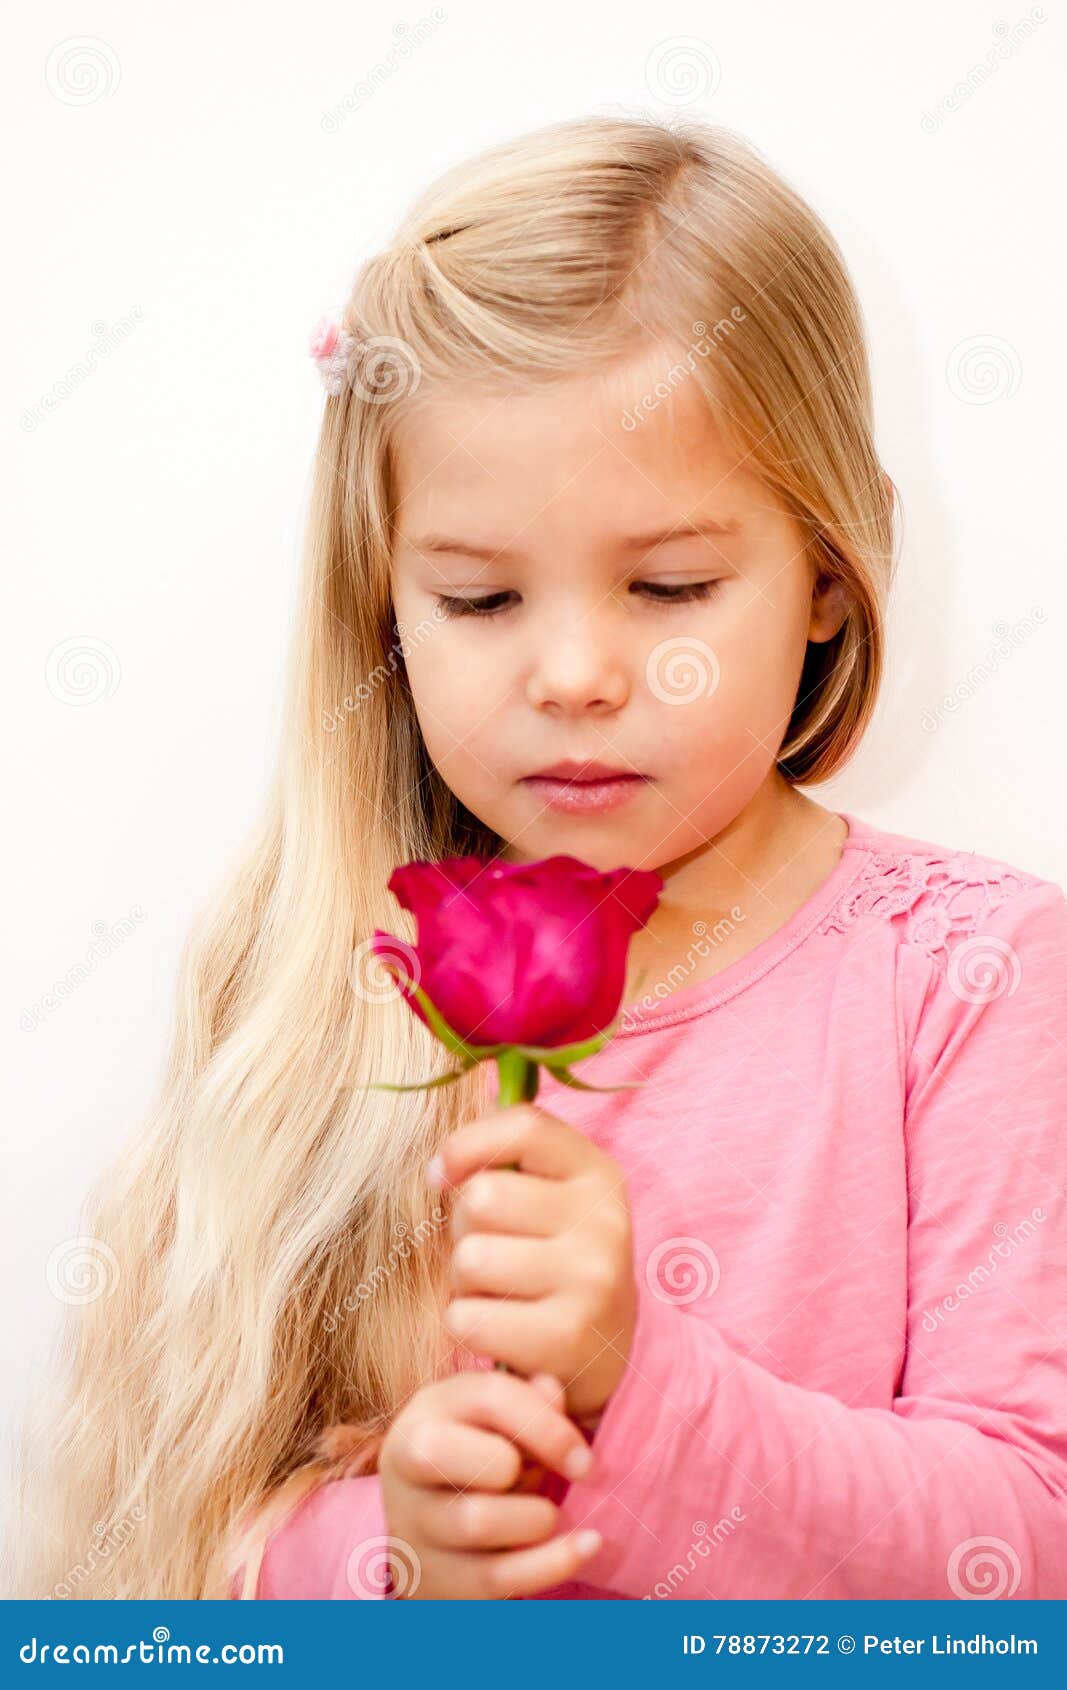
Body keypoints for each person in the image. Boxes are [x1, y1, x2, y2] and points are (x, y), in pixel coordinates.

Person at [10, 114, 1066, 1602]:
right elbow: (192, 1543)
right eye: (484, 597)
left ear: (831, 577)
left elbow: (1025, 1547)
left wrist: (638, 1382)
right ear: (386, 605)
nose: (574, 672)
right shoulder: (318, 976)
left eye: (670, 585)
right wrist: (398, 1559)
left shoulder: (969, 979)